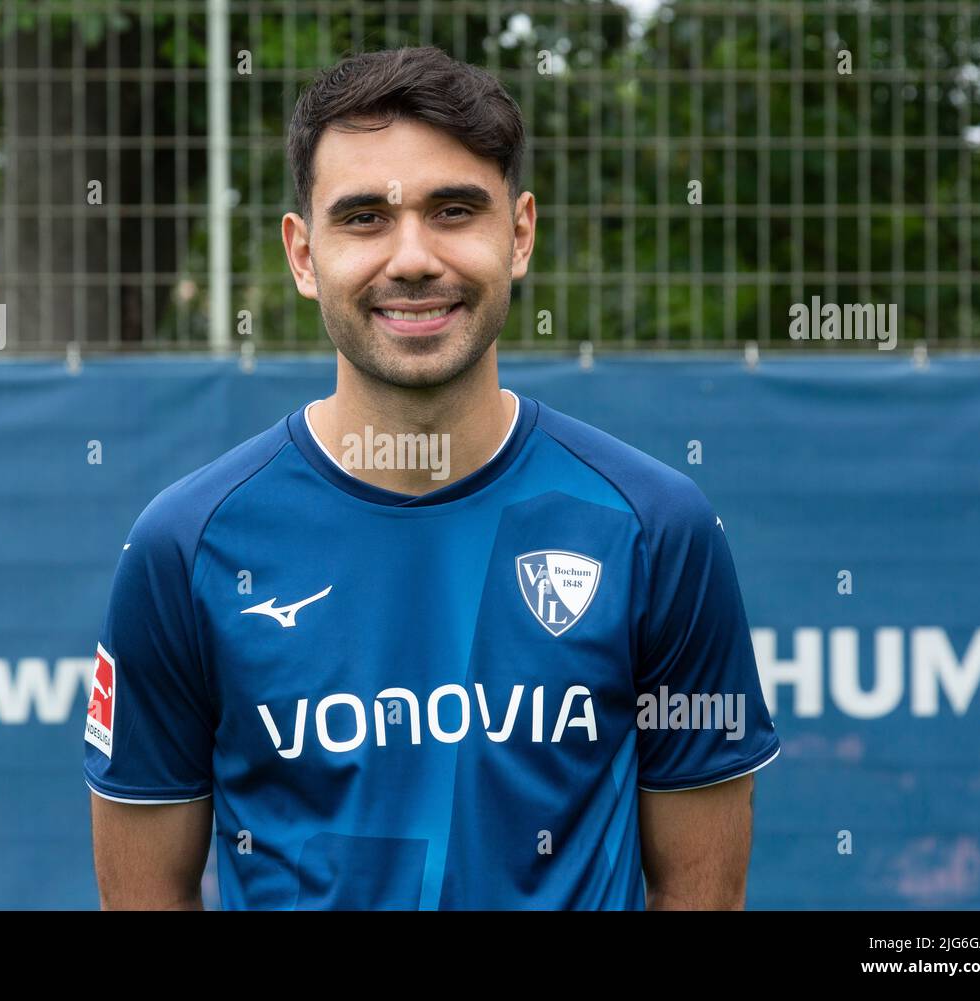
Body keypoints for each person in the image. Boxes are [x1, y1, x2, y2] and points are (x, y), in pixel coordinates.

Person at [85, 45, 779, 910]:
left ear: (519, 234)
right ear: (302, 254)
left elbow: (701, 890)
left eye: (454, 210)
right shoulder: (183, 547)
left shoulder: (655, 527)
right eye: (365, 217)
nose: (412, 258)